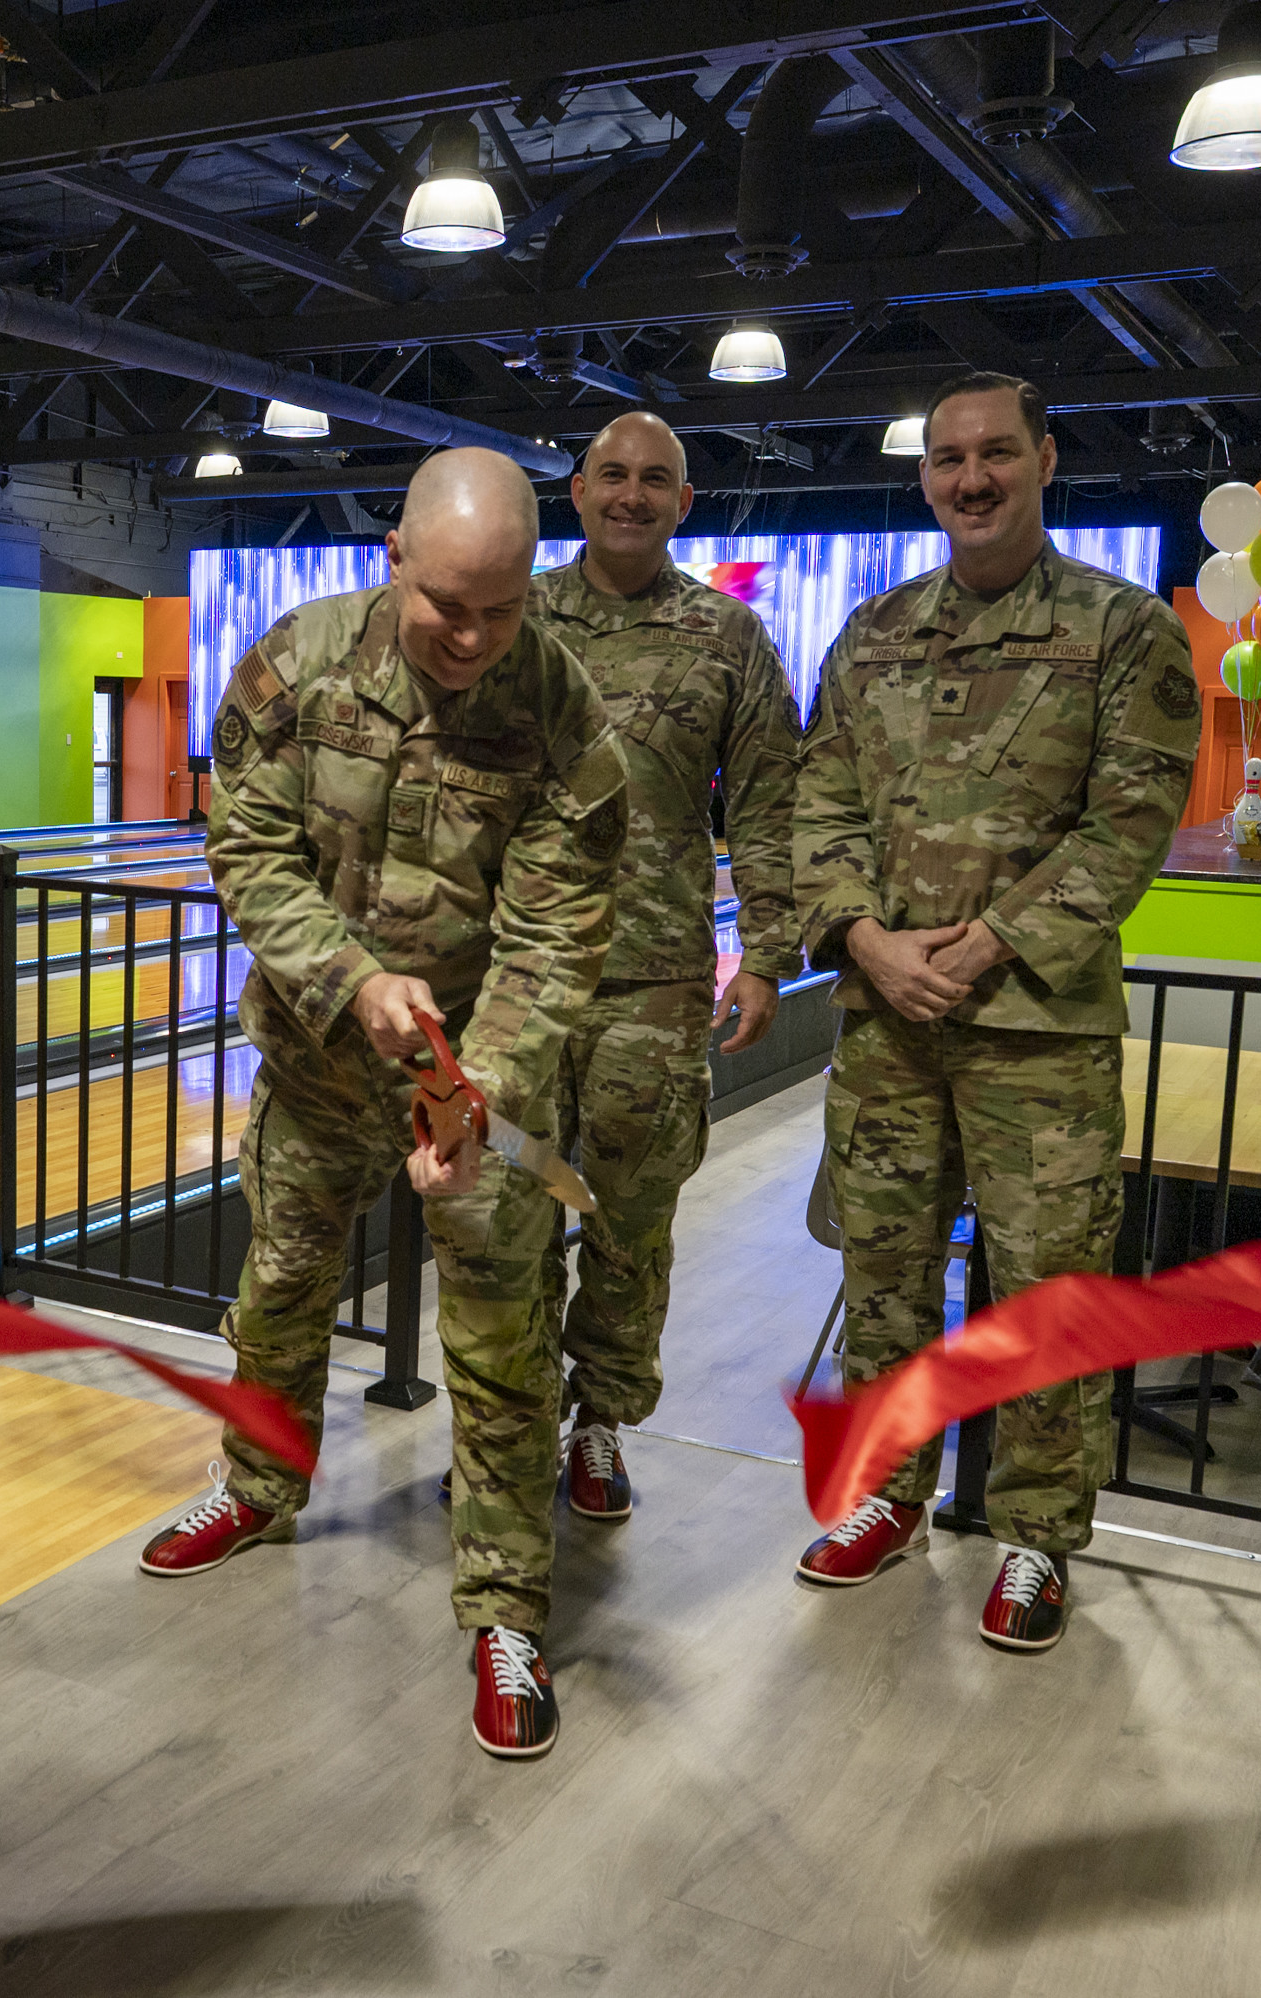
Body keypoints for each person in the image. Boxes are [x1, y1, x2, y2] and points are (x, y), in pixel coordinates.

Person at [137, 447, 627, 1762]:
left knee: (503, 1338)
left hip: (476, 1080)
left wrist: (477, 1099)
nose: (471, 637)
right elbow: (249, 849)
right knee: (283, 1287)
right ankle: (258, 1483)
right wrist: (350, 981)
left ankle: (507, 1604)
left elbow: (554, 936)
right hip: (318, 1062)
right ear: (392, 557)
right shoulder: (295, 666)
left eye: (502, 610)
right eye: (445, 605)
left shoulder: (565, 716)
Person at [789, 370, 1199, 1652]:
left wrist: (987, 944)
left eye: (997, 453)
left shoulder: (1123, 630)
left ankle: (1035, 1540)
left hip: (1039, 1032)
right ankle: (888, 1497)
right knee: (885, 1274)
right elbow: (818, 804)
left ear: (1045, 459)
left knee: (1045, 1291)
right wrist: (866, 938)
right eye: (949, 458)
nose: (972, 478)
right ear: (925, 477)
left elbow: (1132, 820)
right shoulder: (871, 633)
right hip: (889, 1024)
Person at [524, 411, 800, 1521]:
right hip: (517, 983)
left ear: (684, 503)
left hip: (656, 983)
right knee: (509, 1221)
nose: (630, 495)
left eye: (654, 480)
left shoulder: (727, 635)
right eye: (612, 475)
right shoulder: (516, 618)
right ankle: (510, 1426)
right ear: (578, 491)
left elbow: (771, 803)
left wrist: (768, 954)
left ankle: (599, 1421)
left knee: (630, 1224)